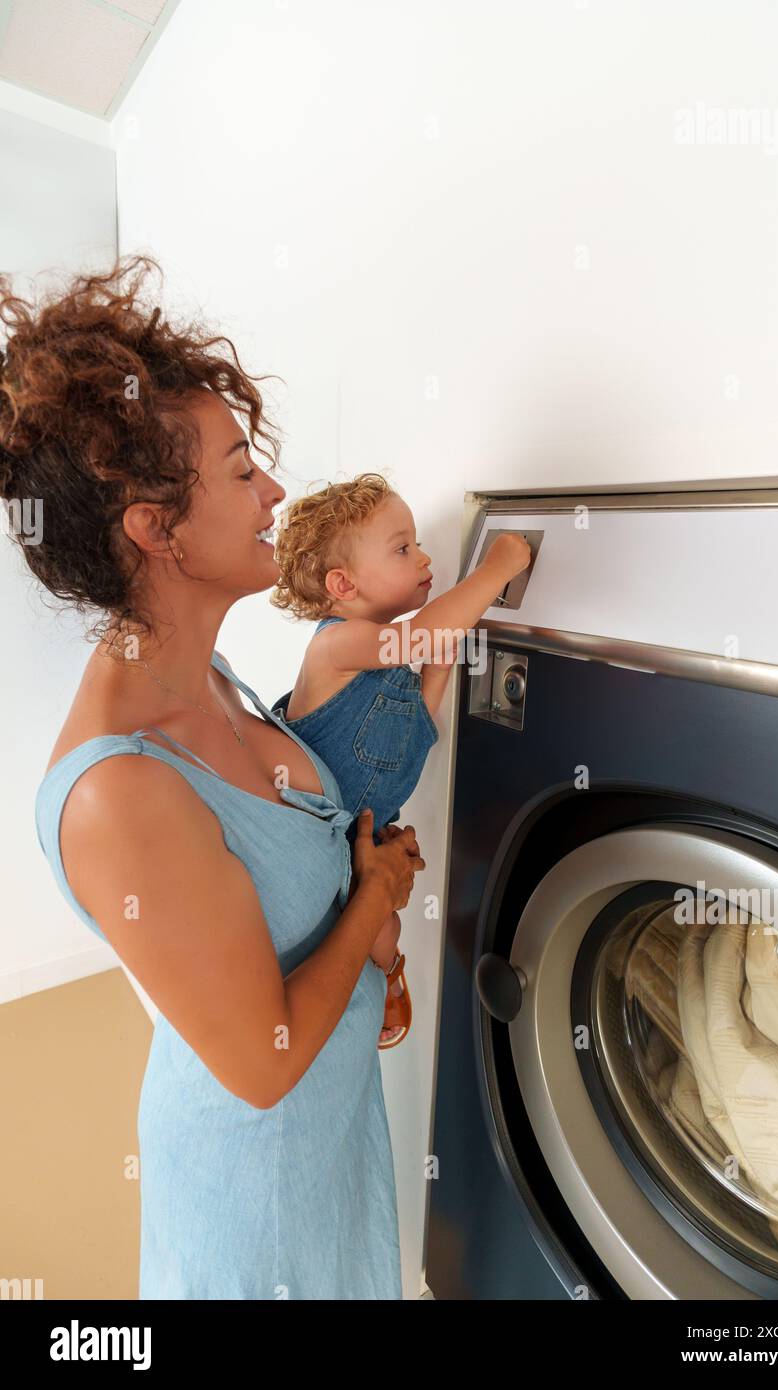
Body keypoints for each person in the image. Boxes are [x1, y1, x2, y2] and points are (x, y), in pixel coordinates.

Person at [1, 253, 424, 1299]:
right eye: (241, 471)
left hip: (330, 1138)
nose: (274, 489)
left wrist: (375, 955)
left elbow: (282, 877)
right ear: (155, 529)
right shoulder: (119, 792)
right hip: (255, 1207)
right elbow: (265, 1055)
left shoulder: (212, 678)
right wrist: (374, 894)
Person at [268, 476, 531, 1045]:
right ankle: (384, 975)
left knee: (379, 923)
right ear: (344, 583)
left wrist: (439, 668)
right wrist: (496, 569)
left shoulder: (387, 657)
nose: (424, 556)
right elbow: (418, 637)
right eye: (403, 548)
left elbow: (418, 727)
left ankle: (384, 970)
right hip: (312, 843)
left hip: (358, 838)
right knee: (370, 928)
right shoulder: (336, 646)